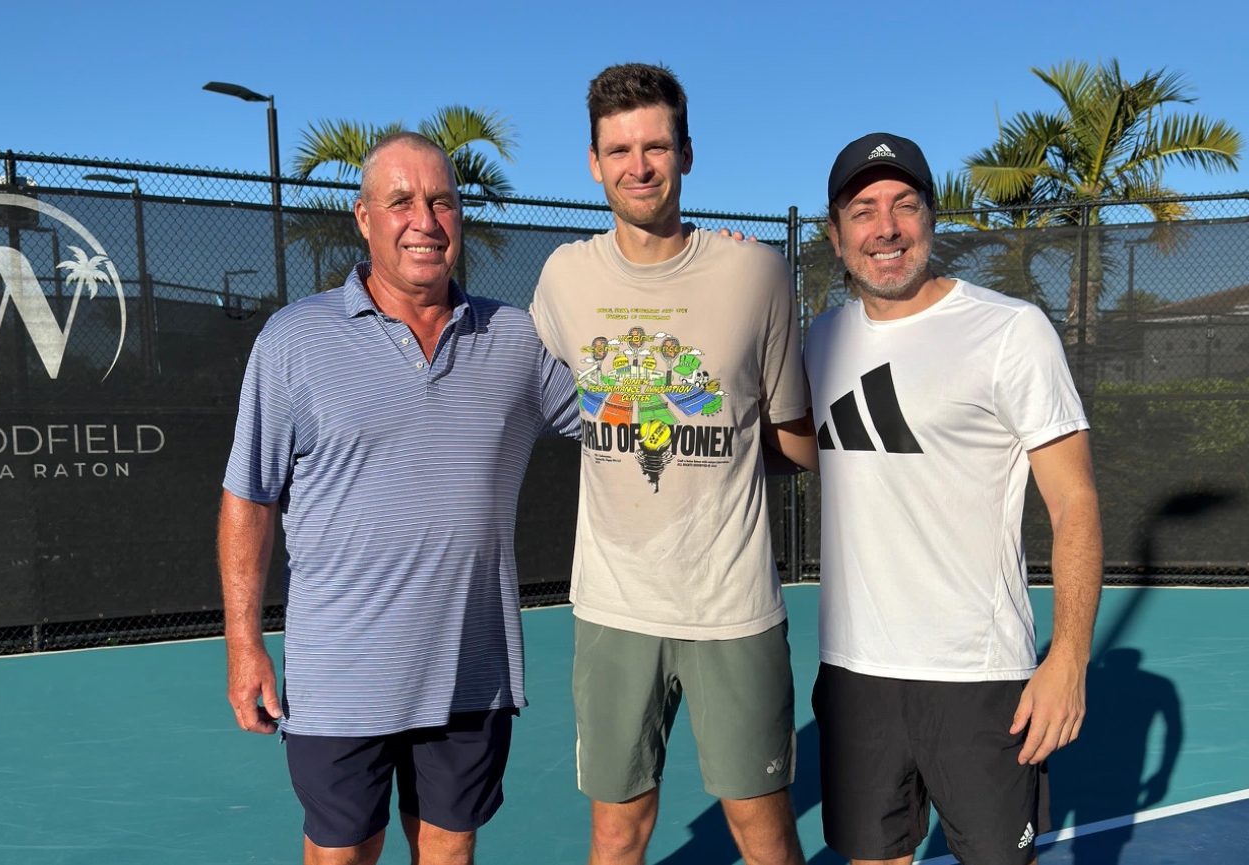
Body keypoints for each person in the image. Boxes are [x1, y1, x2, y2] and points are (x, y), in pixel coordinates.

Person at [218, 132, 579, 865]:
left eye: (442, 201)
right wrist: (243, 643)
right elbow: (248, 500)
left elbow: (626, 419)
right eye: (401, 202)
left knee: (448, 852)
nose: (425, 220)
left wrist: (697, 312)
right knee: (343, 854)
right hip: (341, 676)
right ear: (364, 218)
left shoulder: (516, 339)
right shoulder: (293, 340)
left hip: (470, 671)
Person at [529, 63, 816, 865]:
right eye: (620, 150)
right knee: (617, 832)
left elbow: (791, 436)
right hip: (614, 606)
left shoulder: (756, 272)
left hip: (733, 605)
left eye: (656, 146)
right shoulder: (562, 278)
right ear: (594, 162)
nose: (640, 166)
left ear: (686, 153)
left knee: (763, 831)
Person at [805, 132, 1103, 865]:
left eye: (905, 205)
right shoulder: (819, 341)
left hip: (978, 673)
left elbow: (1075, 503)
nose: (886, 227)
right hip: (855, 671)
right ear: (836, 233)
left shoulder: (1009, 331)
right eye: (864, 210)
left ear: (931, 220)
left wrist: (1068, 658)